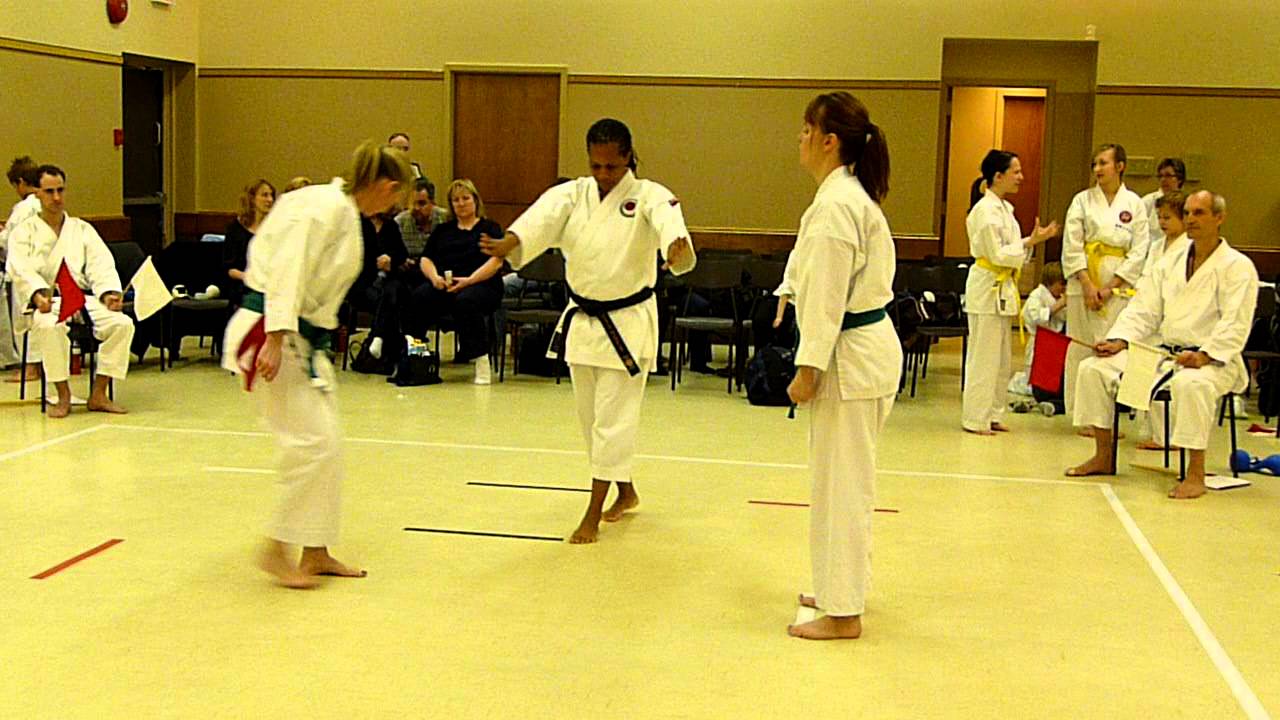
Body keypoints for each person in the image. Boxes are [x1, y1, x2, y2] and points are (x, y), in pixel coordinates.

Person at [480, 118, 695, 543]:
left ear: (629, 159)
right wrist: (510, 242)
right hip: (583, 320)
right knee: (591, 420)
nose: (602, 175)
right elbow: (539, 220)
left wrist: (675, 247)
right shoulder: (573, 194)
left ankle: (592, 512)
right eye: (596, 166)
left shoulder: (650, 195)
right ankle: (626, 490)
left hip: (628, 324)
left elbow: (670, 225)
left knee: (613, 422)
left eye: (612, 167)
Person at [221, 140, 412, 588]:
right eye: (398, 194)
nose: (397, 204)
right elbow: (289, 267)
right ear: (387, 186)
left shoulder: (341, 211)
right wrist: (273, 334)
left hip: (300, 340)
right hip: (270, 333)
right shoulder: (322, 208)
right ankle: (276, 547)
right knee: (311, 445)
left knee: (328, 443)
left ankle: (314, 550)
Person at [781, 92, 901, 640]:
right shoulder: (842, 198)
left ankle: (844, 611)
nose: (800, 139)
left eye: (807, 130)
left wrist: (807, 369)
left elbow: (828, 297)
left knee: (845, 484)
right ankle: (834, 586)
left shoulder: (837, 205)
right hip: (858, 352)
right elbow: (814, 277)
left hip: (849, 358)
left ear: (829, 141)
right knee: (833, 480)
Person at [1065, 191, 1257, 500]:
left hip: (1214, 361)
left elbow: (1236, 322)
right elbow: (1145, 309)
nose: (1192, 219)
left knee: (1192, 386)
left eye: (1200, 213)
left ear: (1219, 218)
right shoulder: (1171, 262)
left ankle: (1195, 473)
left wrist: (1205, 354)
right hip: (1165, 354)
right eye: (1189, 213)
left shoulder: (1238, 266)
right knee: (1094, 369)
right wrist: (1119, 340)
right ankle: (1104, 454)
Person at [7, 165, 134, 418]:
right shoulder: (24, 231)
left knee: (122, 324)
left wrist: (108, 293)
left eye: (60, 190)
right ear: (37, 195)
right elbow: (20, 269)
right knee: (49, 327)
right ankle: (62, 395)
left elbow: (100, 263)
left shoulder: (81, 229)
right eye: (49, 191)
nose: (56, 197)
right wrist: (37, 295)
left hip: (81, 298)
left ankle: (99, 393)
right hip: (48, 301)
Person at [960, 150, 1059, 434]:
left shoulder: (1006, 210)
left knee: (1002, 359)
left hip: (1002, 288)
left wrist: (1031, 241)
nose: (1021, 177)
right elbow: (998, 254)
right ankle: (974, 418)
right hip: (987, 286)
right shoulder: (984, 211)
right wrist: (1029, 242)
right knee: (984, 358)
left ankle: (992, 412)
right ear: (997, 176)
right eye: (1015, 172)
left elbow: (1013, 253)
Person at [1061, 144, 1149, 420]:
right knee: (1080, 346)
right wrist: (1088, 285)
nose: (1097, 169)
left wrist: (1110, 287)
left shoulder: (1134, 203)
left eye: (1103, 163)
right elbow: (1071, 244)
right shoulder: (1082, 201)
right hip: (1083, 280)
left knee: (1110, 349)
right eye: (1095, 164)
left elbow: (1140, 249)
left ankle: (1104, 417)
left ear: (1120, 166)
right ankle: (1081, 415)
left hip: (1118, 283)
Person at [409, 179, 504, 384]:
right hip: (447, 284)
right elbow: (426, 259)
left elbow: (496, 262)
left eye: (465, 198)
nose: (461, 203)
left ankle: (481, 360)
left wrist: (470, 280)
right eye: (456, 200)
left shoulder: (490, 228)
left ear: (475, 200)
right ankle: (415, 356)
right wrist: (435, 278)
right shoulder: (443, 230)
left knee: (466, 301)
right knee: (418, 297)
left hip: (482, 284)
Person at [1135, 190, 1190, 450]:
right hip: (1150, 315)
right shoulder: (1157, 247)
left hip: (1173, 320)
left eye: (1168, 217)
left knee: (1166, 379)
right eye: (1159, 217)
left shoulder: (1190, 249)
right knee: (1147, 373)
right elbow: (1147, 278)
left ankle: (1172, 437)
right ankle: (1157, 434)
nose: (1162, 222)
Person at [2, 156, 43, 374]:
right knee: (40, 317)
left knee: (23, 318)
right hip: (44, 268)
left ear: (20, 182)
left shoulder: (23, 208)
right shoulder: (45, 202)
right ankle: (38, 365)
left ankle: (31, 368)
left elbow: (9, 238)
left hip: (24, 267)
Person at [1008, 262, 1067, 412]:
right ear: (1050, 282)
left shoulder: (1059, 297)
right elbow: (1036, 318)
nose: (1063, 288)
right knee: (1036, 385)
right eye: (1061, 284)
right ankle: (1039, 401)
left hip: (1057, 346)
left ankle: (1050, 404)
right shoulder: (1037, 296)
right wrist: (1058, 305)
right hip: (1040, 344)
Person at [221, 179, 276, 305]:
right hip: (243, 288)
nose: (270, 200)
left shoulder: (274, 229)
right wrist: (248, 277)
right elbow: (229, 268)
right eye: (264, 195)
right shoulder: (235, 229)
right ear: (252, 199)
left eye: (271, 195)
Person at [395, 177, 447, 264]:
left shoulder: (446, 219)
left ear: (432, 203)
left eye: (422, 203)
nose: (416, 208)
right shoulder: (399, 222)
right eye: (412, 203)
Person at [1140, 157, 1186, 247]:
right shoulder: (1147, 202)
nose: (1163, 180)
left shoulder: (1187, 203)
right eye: (1160, 176)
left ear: (1179, 179)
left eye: (1168, 175)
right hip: (1151, 251)